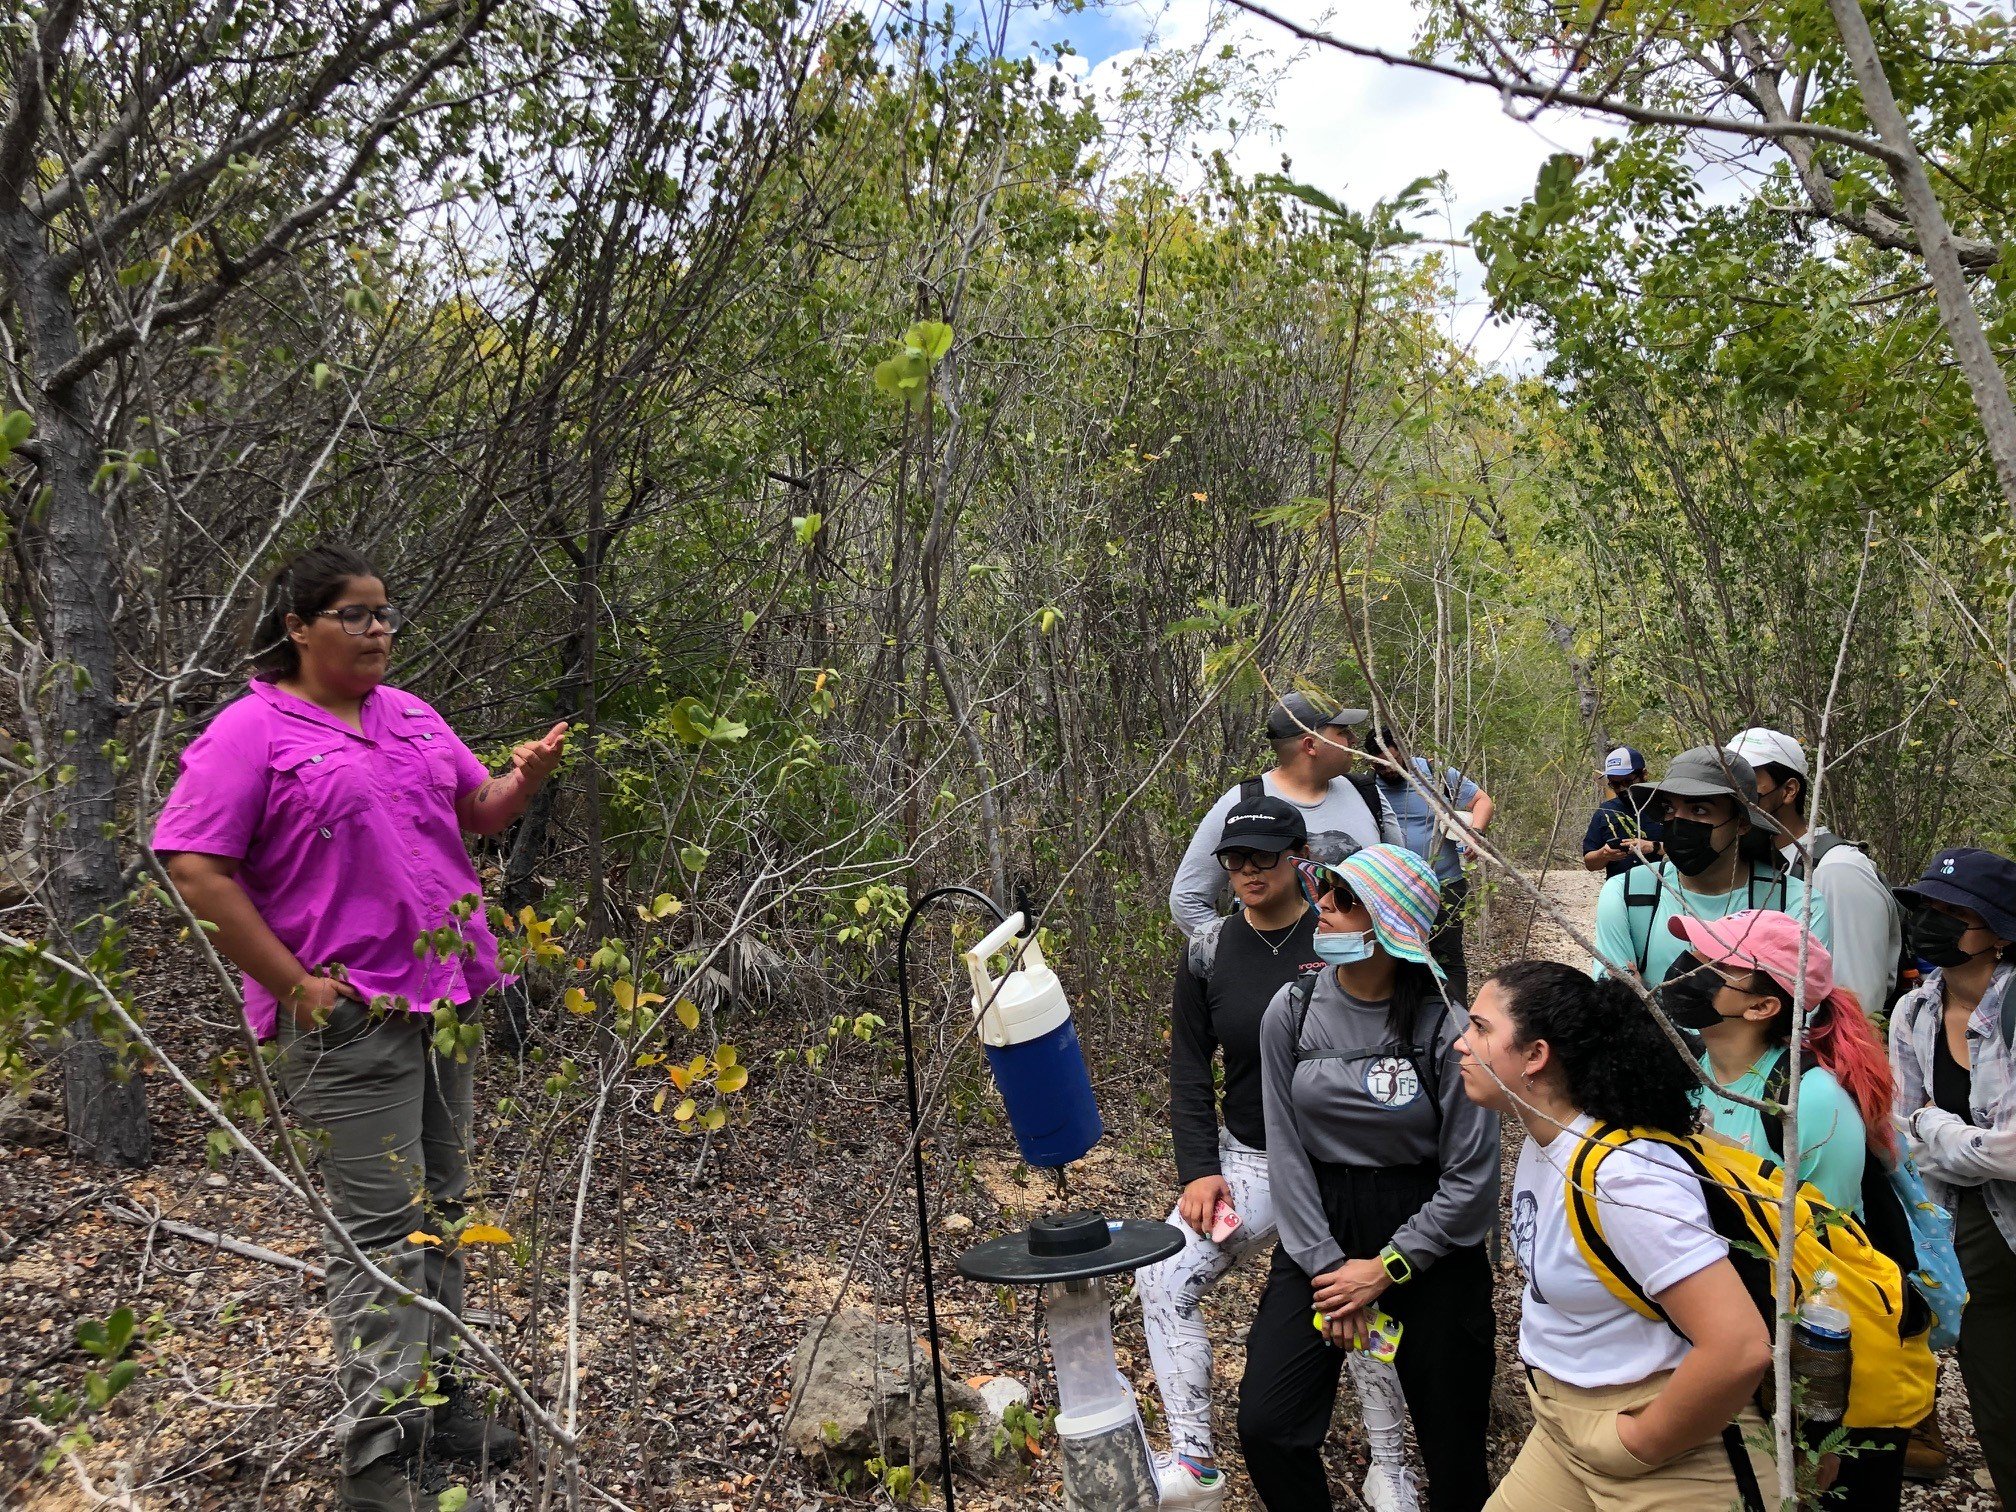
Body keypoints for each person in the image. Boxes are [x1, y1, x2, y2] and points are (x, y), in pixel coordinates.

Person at [155, 545, 565, 1512]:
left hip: (447, 1002)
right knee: (381, 1236)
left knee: (445, 1213)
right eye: (356, 614)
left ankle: (443, 1407)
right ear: (299, 626)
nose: (378, 630)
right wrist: (298, 988)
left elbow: (476, 812)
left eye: (386, 614)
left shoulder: (411, 714)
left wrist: (526, 778)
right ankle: (381, 1461)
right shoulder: (249, 731)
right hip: (351, 1019)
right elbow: (193, 866)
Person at [1140, 804, 1419, 1510]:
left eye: (1262, 858)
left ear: (1297, 856)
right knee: (1163, 1279)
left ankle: (1390, 1466)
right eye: (1234, 860)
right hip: (1251, 1160)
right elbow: (1189, 1069)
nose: (1246, 873)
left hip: (1346, 1161)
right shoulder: (1208, 948)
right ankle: (1194, 1458)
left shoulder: (1335, 933)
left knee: (1354, 1298)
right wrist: (1198, 1169)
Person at [1456, 960, 1777, 1511]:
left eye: (1481, 1028)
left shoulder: (1623, 1177)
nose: (1462, 1044)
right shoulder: (1546, 1140)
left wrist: (1639, 1444)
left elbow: (1739, 1347)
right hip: (1562, 1432)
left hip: (1673, 1455)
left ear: (1536, 1056)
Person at [1238, 844, 1497, 1512]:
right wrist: (1330, 1271)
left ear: (1389, 924)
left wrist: (1383, 1270)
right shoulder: (1289, 1013)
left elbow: (1470, 1178)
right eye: (1324, 891)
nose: (1320, 906)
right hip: (1321, 1222)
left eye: (1343, 899)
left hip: (1429, 1236)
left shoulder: (1447, 1026)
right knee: (1268, 1425)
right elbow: (1285, 1150)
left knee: (1454, 1444)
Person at [1663, 909, 1917, 1508]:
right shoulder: (1688, 1079)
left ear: (1762, 1007)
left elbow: (1829, 1267)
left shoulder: (1810, 1101)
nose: (1683, 976)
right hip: (1729, 1337)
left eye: (1710, 967)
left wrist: (1817, 1427)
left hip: (1808, 1354)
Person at [1891, 847, 2016, 1508]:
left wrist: (1937, 1128)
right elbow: (1900, 1131)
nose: (1932, 924)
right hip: (1964, 1226)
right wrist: (1943, 1137)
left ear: (1999, 930)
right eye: (1927, 910)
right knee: (1995, 1394)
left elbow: (2011, 1154)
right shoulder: (1913, 1013)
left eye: (1953, 913)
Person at [1170, 691, 1401, 939]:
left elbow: (1399, 882)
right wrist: (1233, 950)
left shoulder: (1367, 793)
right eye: (1343, 732)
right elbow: (1187, 898)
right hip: (1280, 970)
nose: (1354, 739)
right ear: (1311, 745)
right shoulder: (1244, 803)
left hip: (1364, 970)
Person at [1591, 745, 1829, 986]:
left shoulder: (1796, 904)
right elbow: (1612, 1006)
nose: (1680, 822)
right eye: (1669, 808)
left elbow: (1804, 1015)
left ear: (1742, 823)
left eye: (1699, 810)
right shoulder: (1627, 893)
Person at [1726, 727, 1903, 1020]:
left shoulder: (1837, 871)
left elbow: (1857, 1002)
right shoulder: (1755, 865)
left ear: (1789, 790)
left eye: (1748, 784)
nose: (1736, 796)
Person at [1363, 727, 1494, 1002]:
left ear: (1405, 754)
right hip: (1393, 888)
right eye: (1378, 764)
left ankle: (1453, 1019)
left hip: (1445, 883)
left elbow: (1482, 800)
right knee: (1398, 958)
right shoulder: (1366, 787)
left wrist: (1475, 835)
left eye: (1392, 763)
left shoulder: (1435, 774)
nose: (1386, 770)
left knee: (1447, 956)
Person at [1583, 746, 1665, 878]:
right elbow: (1590, 864)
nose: (1622, 788)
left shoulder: (1666, 806)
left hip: (1666, 889)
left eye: (1627, 781)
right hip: (1621, 890)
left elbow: (1689, 850)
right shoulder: (1605, 812)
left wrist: (1654, 847)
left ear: (1644, 775)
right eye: (1615, 784)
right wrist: (1604, 854)